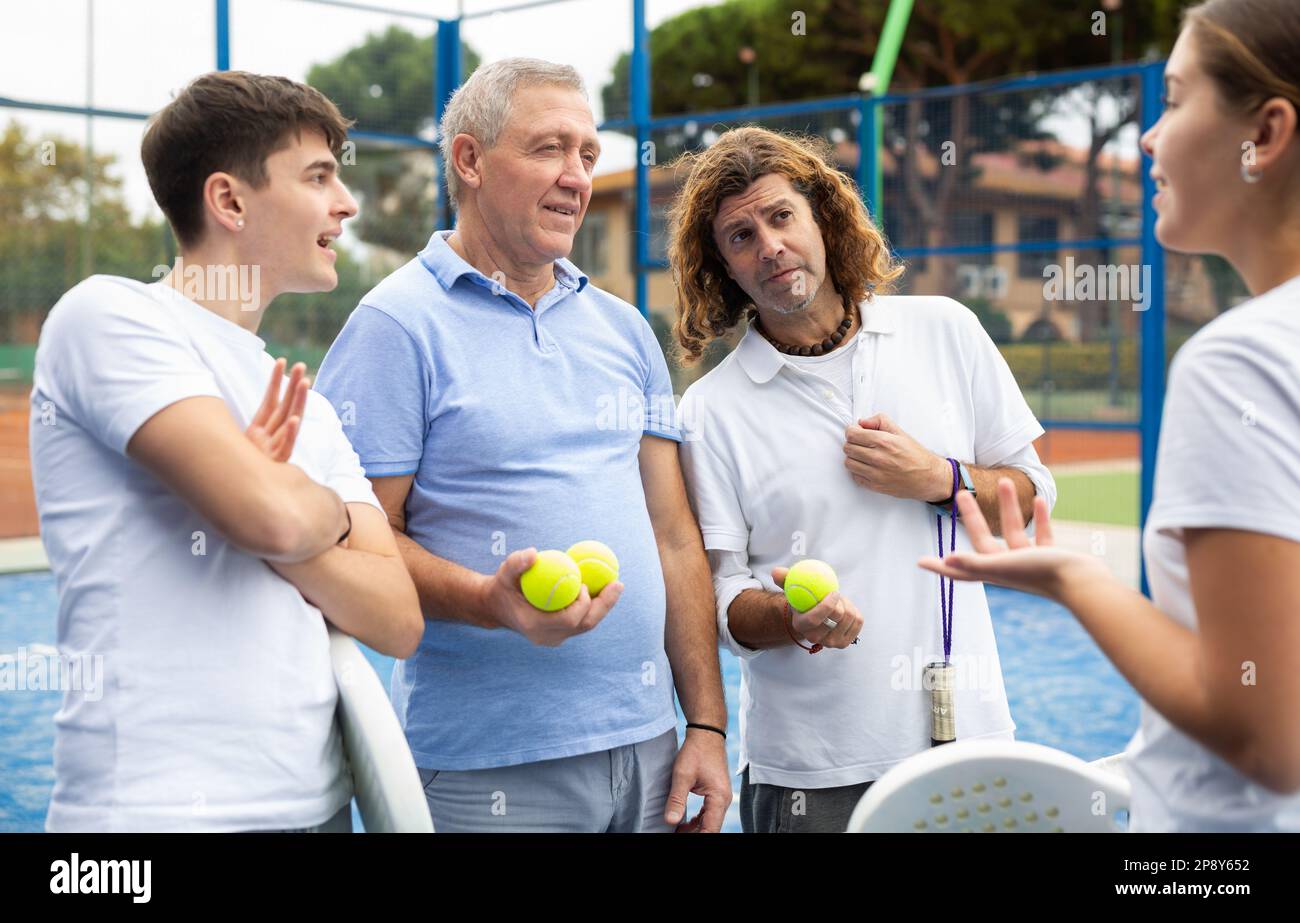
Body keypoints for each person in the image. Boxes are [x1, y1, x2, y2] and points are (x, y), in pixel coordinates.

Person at [314, 58, 731, 833]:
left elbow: (673, 536)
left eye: (587, 154)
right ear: (469, 161)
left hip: (649, 752)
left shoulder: (624, 329)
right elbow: (358, 544)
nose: (576, 176)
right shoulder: (394, 326)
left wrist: (705, 722)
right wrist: (488, 603)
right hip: (483, 770)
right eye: (548, 149)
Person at [920, 0, 1300, 832]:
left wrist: (1071, 575)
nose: (1149, 137)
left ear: (1264, 135)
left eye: (1174, 98)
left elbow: (1269, 737)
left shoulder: (1243, 360)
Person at [28, 71, 422, 832]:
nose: (346, 203)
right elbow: (271, 518)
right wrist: (309, 513)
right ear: (229, 200)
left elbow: (397, 618)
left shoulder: (308, 404)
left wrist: (272, 503)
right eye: (318, 177)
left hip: (318, 811)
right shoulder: (108, 315)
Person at [669, 126, 1057, 833]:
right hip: (811, 778)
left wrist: (942, 478)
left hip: (969, 747)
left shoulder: (945, 329)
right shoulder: (709, 410)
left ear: (822, 216)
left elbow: (1028, 498)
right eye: (740, 236)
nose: (770, 247)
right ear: (722, 265)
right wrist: (791, 619)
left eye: (781, 216)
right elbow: (723, 602)